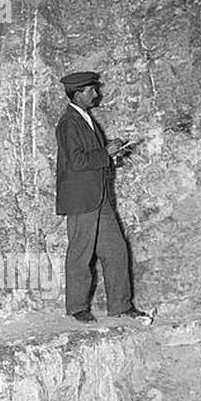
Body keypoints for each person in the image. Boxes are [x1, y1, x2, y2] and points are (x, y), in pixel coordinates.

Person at [54, 70, 153, 325]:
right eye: (91, 90)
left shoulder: (85, 119)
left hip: (99, 198)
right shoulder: (69, 123)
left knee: (117, 250)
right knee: (80, 253)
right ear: (78, 94)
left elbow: (91, 157)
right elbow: (77, 161)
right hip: (82, 199)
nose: (96, 94)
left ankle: (121, 305)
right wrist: (106, 152)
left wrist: (112, 156)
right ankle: (77, 308)